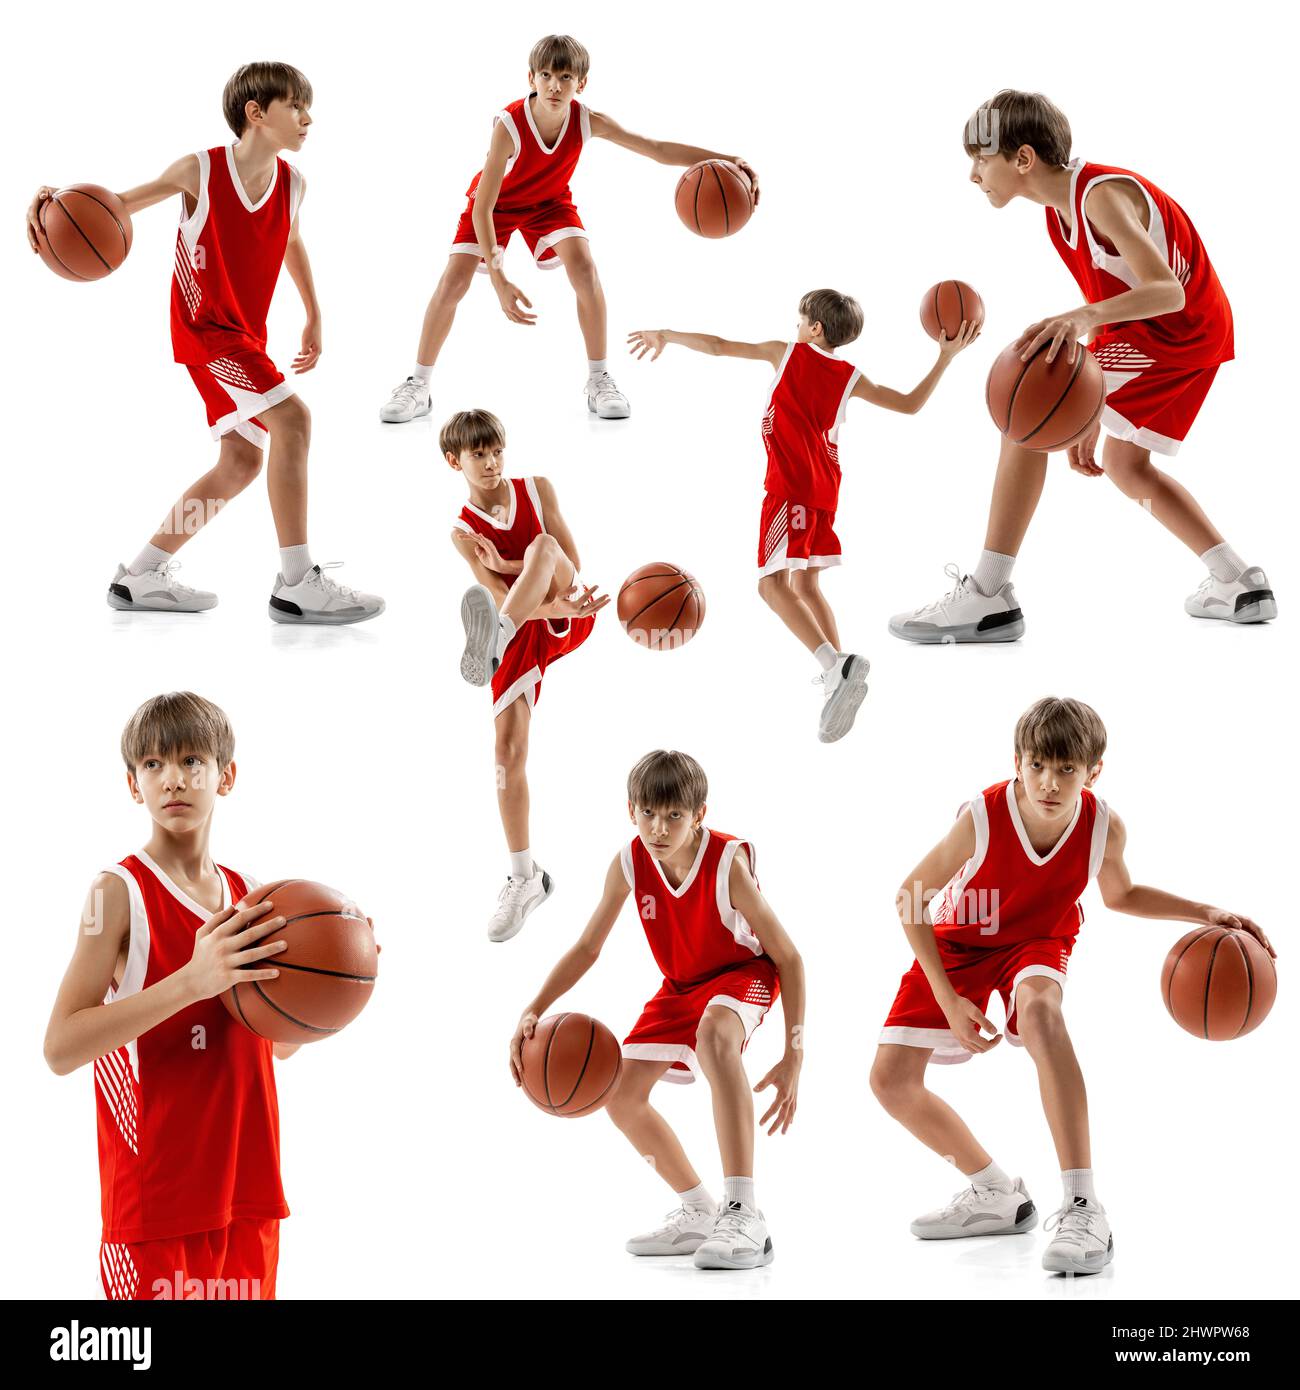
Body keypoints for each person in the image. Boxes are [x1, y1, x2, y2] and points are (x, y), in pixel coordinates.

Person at [870, 695, 1274, 1274]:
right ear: (1017, 761)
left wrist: (1204, 912)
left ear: (1093, 772)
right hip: (960, 940)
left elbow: (1121, 895)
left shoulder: (1102, 826)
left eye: (1066, 769)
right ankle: (995, 1193)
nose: (1049, 782)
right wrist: (947, 996)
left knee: (1040, 1013)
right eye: (1037, 765)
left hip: (1037, 938)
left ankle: (1084, 1205)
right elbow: (910, 896)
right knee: (889, 1082)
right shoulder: (982, 817)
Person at [890, 89, 1273, 643]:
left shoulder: (1099, 197)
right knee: (1125, 465)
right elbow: (1123, 295)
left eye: (980, 158)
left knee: (1026, 409)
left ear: (1022, 158)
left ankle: (988, 595)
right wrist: (1091, 402)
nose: (974, 174)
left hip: (1172, 330)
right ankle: (1239, 582)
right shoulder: (1059, 211)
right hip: (1190, 334)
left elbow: (1165, 291)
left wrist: (1080, 329)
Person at [26, 61, 383, 623]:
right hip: (207, 336)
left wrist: (314, 313)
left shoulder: (293, 183)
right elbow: (115, 206)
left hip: (246, 339)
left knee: (240, 461)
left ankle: (142, 574)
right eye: (297, 106)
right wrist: (51, 205)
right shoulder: (200, 171)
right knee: (295, 422)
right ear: (256, 113)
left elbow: (291, 241)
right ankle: (296, 583)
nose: (308, 118)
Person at [629, 291, 977, 740]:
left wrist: (667, 336)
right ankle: (841, 674)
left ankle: (835, 667)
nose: (795, 326)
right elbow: (910, 403)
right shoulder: (851, 375)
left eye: (800, 320)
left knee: (769, 586)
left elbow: (719, 345)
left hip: (789, 488)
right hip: (825, 492)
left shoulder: (788, 352)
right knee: (806, 585)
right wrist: (945, 358)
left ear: (814, 328)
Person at [509, 749, 805, 1269]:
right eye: (648, 813)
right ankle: (698, 1209)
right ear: (631, 811)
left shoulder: (728, 863)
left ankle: (745, 1213)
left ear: (699, 815)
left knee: (715, 1035)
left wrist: (793, 1055)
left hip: (746, 976)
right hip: (681, 985)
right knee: (621, 1093)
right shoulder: (628, 862)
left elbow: (790, 957)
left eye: (673, 815)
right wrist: (534, 1007)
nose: (659, 827)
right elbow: (587, 948)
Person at [379, 33, 759, 426]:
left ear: (581, 83)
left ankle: (599, 380)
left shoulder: (586, 120)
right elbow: (485, 206)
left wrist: (726, 159)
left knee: (585, 269)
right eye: (545, 75)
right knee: (454, 282)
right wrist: (498, 278)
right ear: (531, 79)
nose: (554, 85)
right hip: (496, 206)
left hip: (549, 203)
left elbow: (656, 149)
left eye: (564, 76)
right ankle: (417, 385)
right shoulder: (509, 126)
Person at [449, 409, 608, 941]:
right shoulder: (463, 531)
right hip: (518, 625)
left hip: (562, 609)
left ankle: (492, 640)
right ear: (456, 461)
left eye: (496, 451)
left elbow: (569, 558)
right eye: (478, 455)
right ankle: (526, 878)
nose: (491, 463)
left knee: (541, 546)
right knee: (507, 755)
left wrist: (514, 568)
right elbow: (493, 597)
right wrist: (509, 587)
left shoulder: (537, 488)